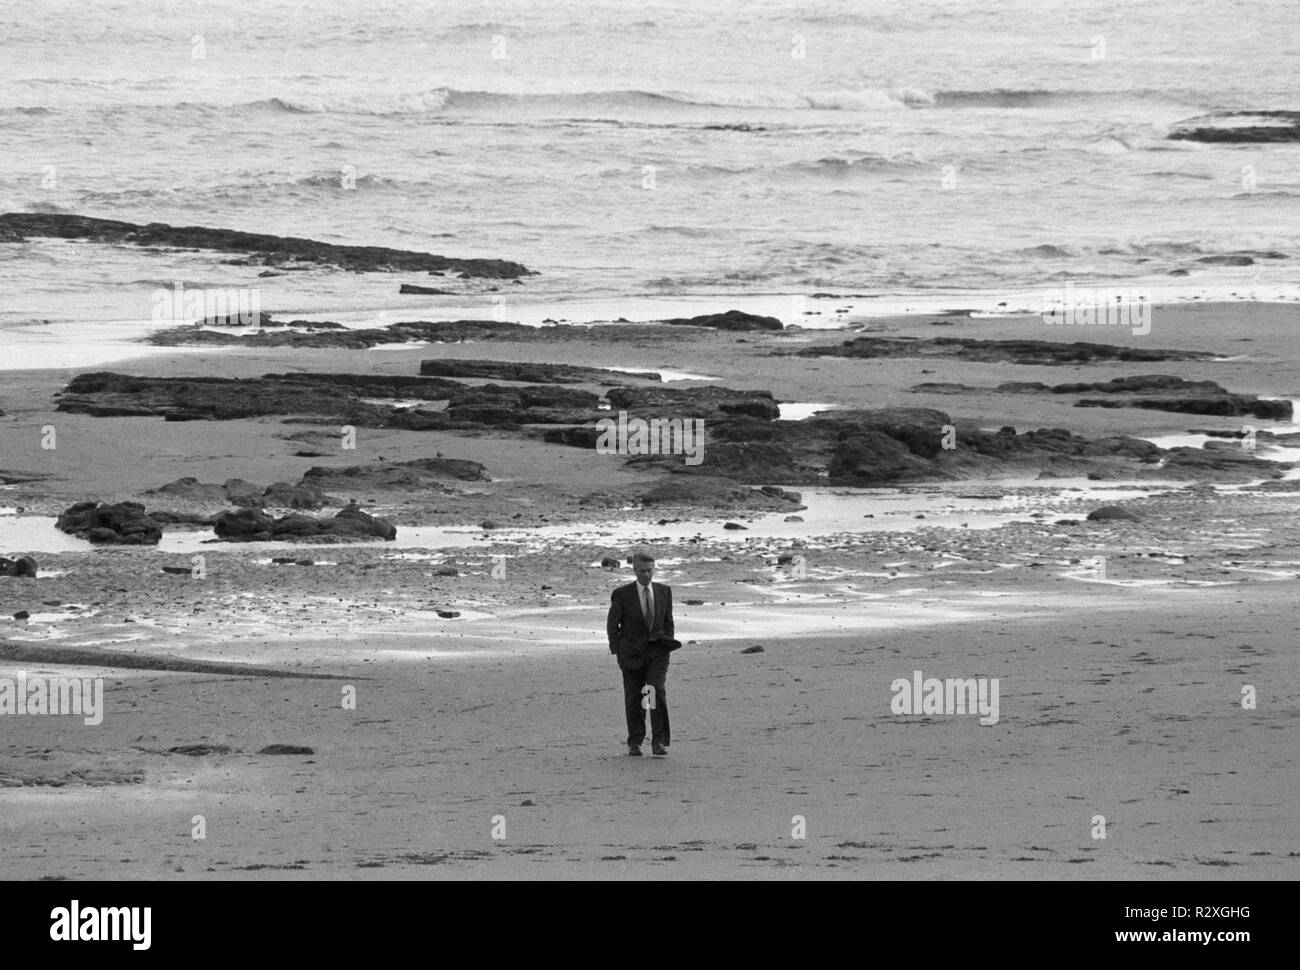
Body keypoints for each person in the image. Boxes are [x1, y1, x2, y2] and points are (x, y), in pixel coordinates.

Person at [607, 548, 680, 756]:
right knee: (635, 697)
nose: (646, 575)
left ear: (653, 569)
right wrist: (617, 650)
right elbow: (613, 625)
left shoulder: (664, 592)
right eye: (642, 571)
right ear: (634, 571)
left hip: (657, 653)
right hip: (631, 655)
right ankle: (635, 741)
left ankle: (658, 741)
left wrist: (667, 645)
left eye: (649, 570)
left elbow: (668, 623)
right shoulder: (622, 595)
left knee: (654, 691)